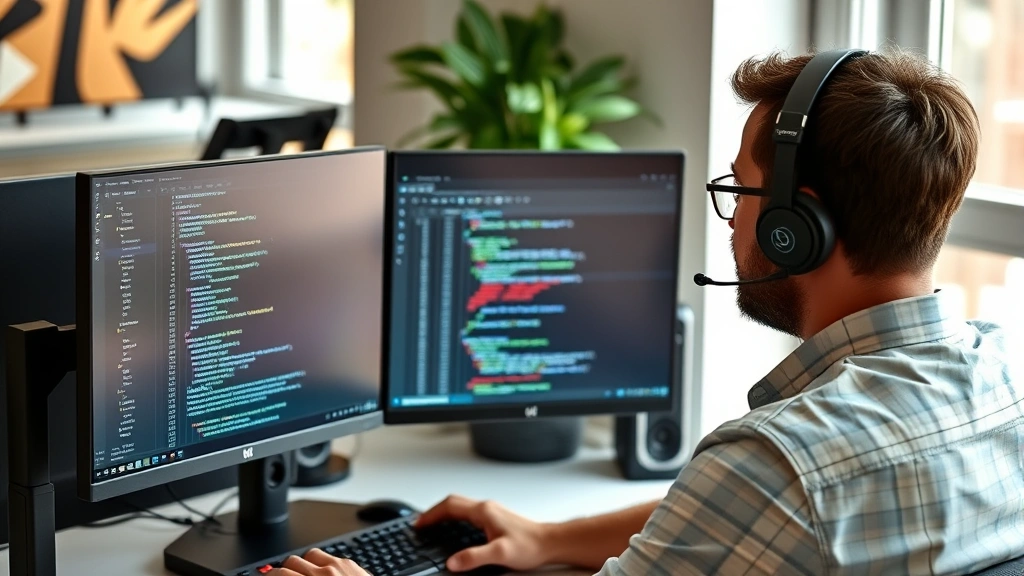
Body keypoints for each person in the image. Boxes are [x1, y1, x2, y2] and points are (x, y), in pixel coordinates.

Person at [270, 48, 1023, 575]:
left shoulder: (778, 464)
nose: (731, 224)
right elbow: (734, 526)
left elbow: (766, 497)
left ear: (796, 227)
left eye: (742, 192)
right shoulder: (1006, 382)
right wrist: (548, 537)